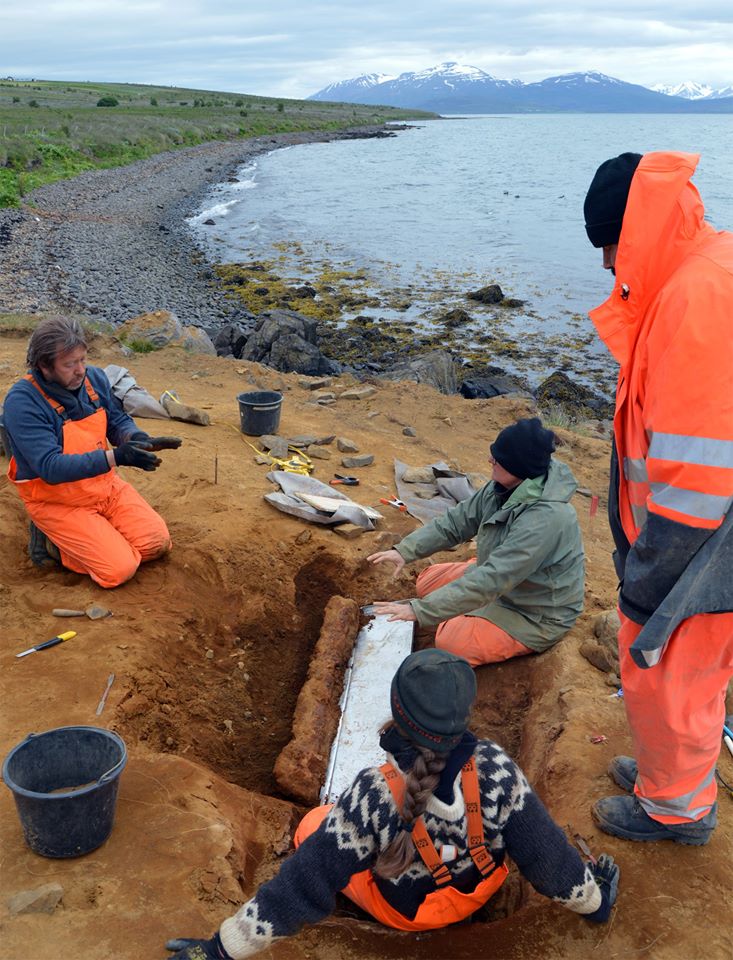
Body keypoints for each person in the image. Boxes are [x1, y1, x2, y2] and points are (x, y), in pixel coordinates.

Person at [164, 649, 619, 959]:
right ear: (464, 715)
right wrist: (594, 901)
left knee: (316, 827)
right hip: (480, 888)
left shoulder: (374, 795)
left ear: (398, 713)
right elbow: (548, 859)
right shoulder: (498, 768)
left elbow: (301, 888)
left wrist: (221, 948)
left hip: (410, 912)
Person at [583, 151, 733, 845]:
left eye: (607, 246)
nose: (607, 264)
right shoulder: (699, 271)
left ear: (631, 232)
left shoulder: (694, 297)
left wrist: (661, 560)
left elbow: (702, 459)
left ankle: (675, 812)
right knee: (680, 675)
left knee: (670, 672)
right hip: (693, 531)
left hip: (693, 540)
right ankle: (665, 782)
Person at [367, 418, 585, 667]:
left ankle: (475, 617)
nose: (490, 461)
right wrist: (404, 551)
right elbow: (456, 522)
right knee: (427, 582)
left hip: (534, 610)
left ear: (519, 467)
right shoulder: (504, 486)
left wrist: (418, 611)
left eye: (497, 459)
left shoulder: (546, 518)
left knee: (451, 642)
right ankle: (468, 604)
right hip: (507, 579)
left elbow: (492, 580)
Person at [4, 314, 182, 589]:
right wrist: (117, 457)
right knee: (119, 569)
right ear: (44, 366)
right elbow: (50, 467)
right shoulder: (23, 402)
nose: (80, 370)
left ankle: (95, 535)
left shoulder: (94, 379)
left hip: (103, 487)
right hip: (57, 501)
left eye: (83, 360)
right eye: (69, 364)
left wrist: (136, 439)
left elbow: (117, 421)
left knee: (156, 544)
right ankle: (52, 543)